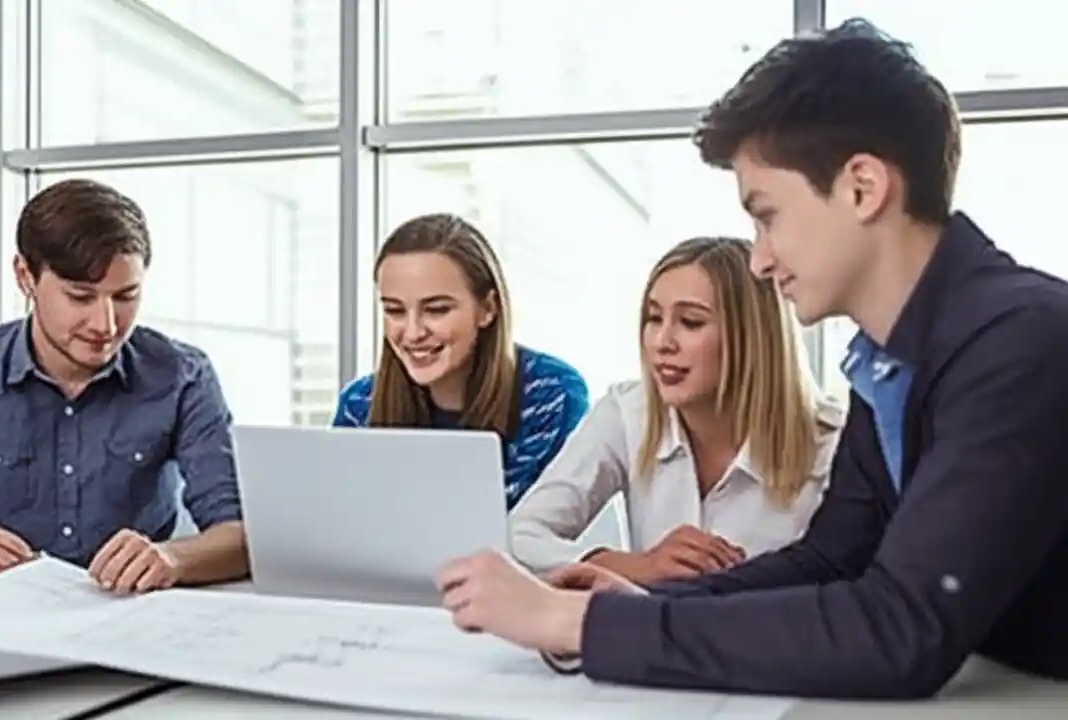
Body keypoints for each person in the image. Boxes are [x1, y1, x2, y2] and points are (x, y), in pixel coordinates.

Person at [435, 19, 1068, 697]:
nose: (761, 259)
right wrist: (642, 607)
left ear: (862, 187)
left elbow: (901, 628)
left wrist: (584, 625)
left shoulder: (1021, 341)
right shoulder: (890, 365)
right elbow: (830, 560)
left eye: (767, 215)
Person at [0, 179, 248, 593]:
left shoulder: (183, 377)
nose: (106, 325)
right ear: (25, 276)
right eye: (80, 297)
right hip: (5, 624)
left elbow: (241, 533)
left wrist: (172, 558)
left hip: (136, 621)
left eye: (125, 296)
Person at [510, 237, 843, 580]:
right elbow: (523, 534)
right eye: (654, 318)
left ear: (751, 337)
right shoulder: (627, 412)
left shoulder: (831, 446)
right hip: (655, 631)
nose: (662, 342)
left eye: (691, 322)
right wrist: (637, 566)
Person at [334, 213, 590, 509]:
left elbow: (533, 530)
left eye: (437, 310)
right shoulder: (359, 403)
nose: (414, 332)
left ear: (487, 309)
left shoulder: (551, 394)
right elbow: (340, 515)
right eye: (395, 311)